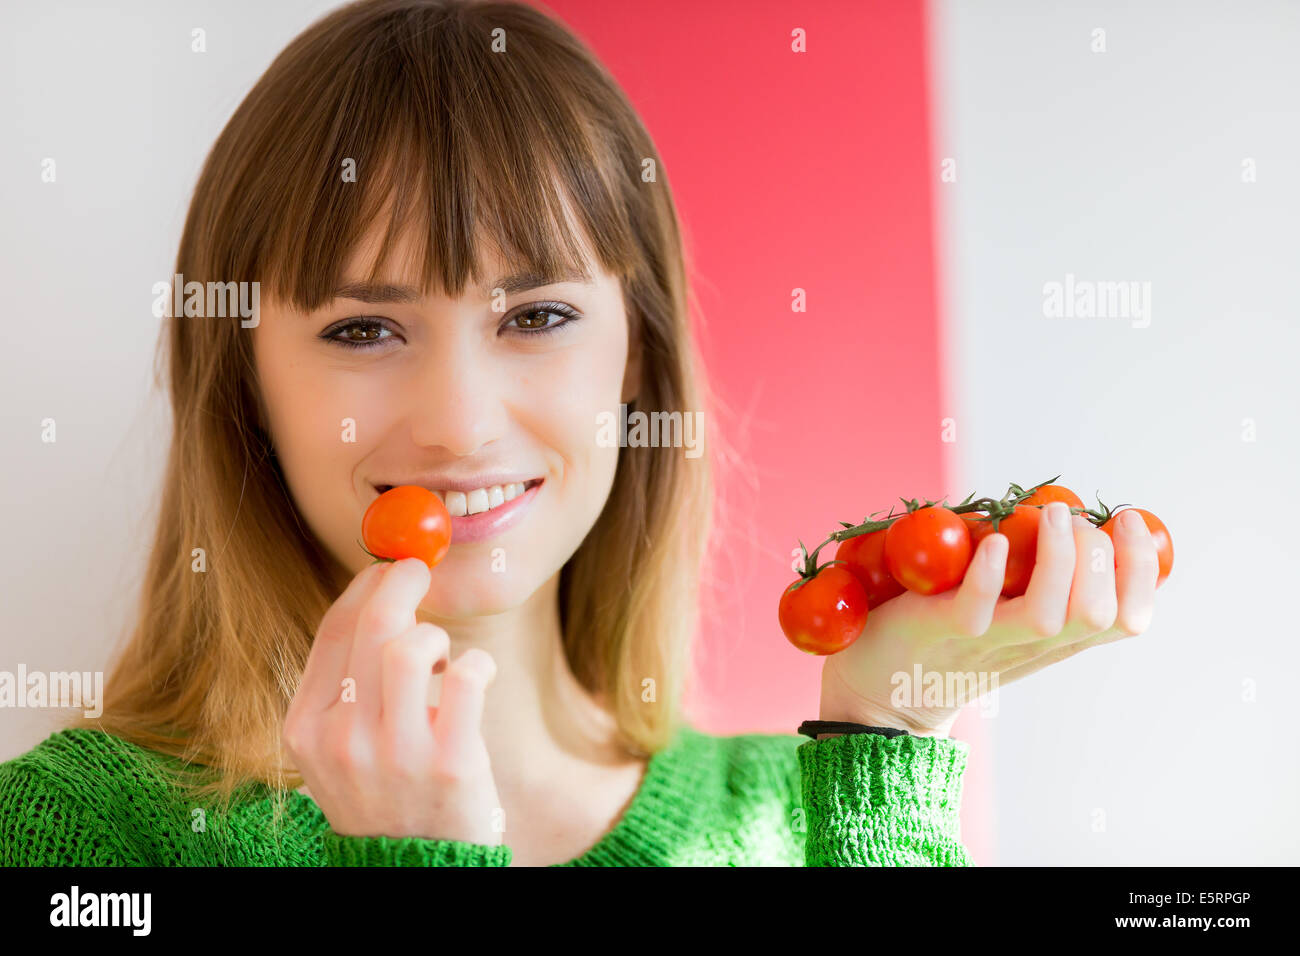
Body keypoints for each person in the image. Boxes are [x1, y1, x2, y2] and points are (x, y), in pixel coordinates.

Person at [0, 0, 1158, 867]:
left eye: (536, 315)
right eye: (362, 329)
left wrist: (894, 736)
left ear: (637, 355)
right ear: (243, 378)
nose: (457, 424)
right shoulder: (82, 837)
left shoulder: (802, 815)